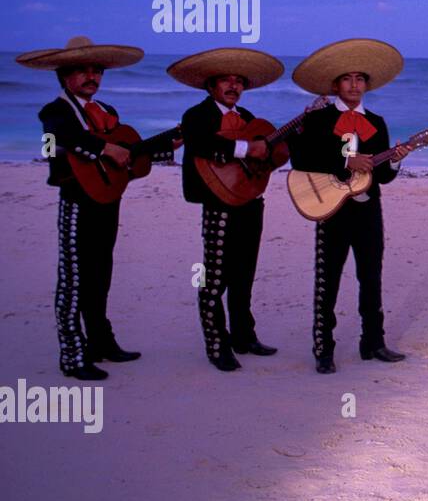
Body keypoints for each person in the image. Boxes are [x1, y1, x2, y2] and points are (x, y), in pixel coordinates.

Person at [18, 37, 179, 380]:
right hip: (76, 202)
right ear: (63, 75)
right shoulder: (54, 112)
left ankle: (100, 342)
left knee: (101, 274)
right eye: (82, 71)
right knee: (74, 278)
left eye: (97, 70)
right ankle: (72, 355)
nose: (92, 77)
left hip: (106, 201)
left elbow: (123, 159)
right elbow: (52, 144)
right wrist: (104, 148)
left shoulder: (107, 112)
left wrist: (165, 148)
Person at [289, 38, 412, 373]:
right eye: (348, 79)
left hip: (369, 210)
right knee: (327, 280)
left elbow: (382, 176)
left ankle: (373, 343)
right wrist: (345, 163)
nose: (355, 85)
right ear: (335, 85)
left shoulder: (378, 121)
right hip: (331, 209)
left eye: (360, 79)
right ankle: (323, 349)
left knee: (371, 277)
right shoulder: (318, 119)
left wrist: (397, 160)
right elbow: (300, 157)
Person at [170, 48, 286, 372]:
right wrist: (247, 147)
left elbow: (267, 157)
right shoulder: (196, 115)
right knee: (213, 276)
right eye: (226, 80)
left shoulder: (248, 119)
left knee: (244, 274)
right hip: (217, 202)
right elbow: (201, 144)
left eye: (239, 81)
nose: (233, 86)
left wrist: (280, 147)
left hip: (250, 202)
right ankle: (216, 344)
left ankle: (243, 336)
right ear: (211, 86)